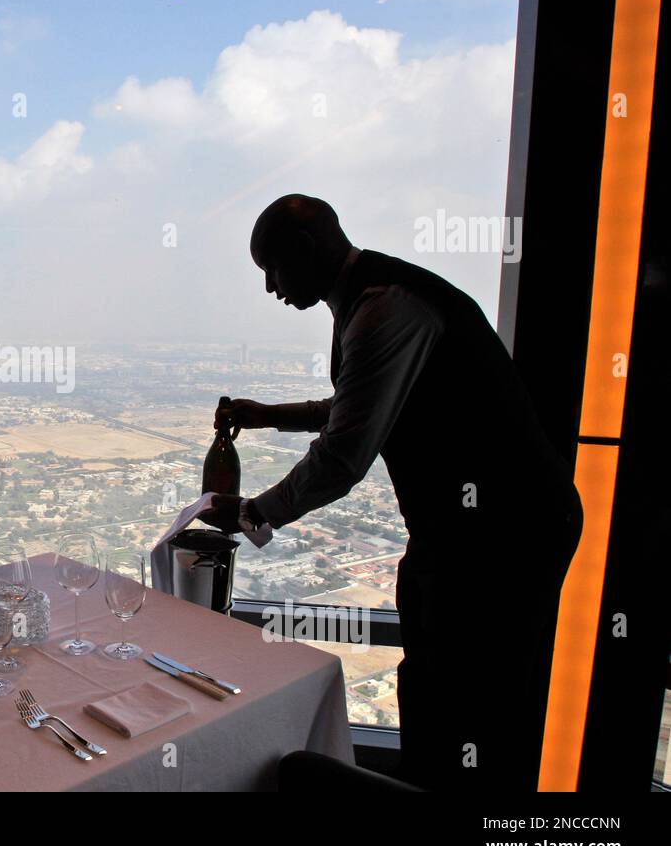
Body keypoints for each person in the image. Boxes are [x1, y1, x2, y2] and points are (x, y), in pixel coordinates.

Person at [200, 194, 582, 791]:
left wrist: (255, 512)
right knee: (439, 684)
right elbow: (359, 405)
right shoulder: (374, 298)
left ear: (304, 249)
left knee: (472, 699)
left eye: (272, 268)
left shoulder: (383, 308)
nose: (271, 287)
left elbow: (346, 453)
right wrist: (266, 414)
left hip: (506, 535)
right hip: (471, 531)